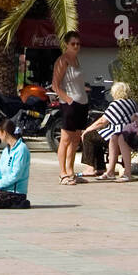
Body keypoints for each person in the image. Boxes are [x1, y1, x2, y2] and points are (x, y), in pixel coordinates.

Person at [80, 81, 138, 180]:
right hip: (129, 132)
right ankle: (103, 168)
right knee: (97, 137)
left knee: (89, 136)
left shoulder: (116, 104)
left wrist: (87, 129)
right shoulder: (132, 103)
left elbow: (103, 121)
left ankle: (91, 168)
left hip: (118, 131)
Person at [52, 30, 88, 185]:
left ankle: (71, 171)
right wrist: (68, 100)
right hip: (70, 104)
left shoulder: (77, 60)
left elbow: (75, 82)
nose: (76, 46)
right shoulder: (62, 60)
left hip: (83, 102)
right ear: (66, 44)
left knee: (75, 140)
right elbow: (55, 85)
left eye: (78, 44)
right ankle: (62, 173)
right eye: (73, 44)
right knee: (65, 139)